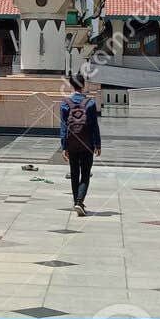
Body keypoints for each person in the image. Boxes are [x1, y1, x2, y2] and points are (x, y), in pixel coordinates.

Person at [59, 76, 101, 217]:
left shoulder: (65, 103)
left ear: (71, 85)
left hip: (72, 143)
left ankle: (77, 202)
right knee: (85, 174)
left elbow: (63, 127)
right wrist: (97, 144)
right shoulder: (90, 103)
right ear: (83, 85)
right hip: (87, 143)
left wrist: (64, 146)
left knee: (74, 173)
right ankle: (79, 201)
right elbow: (94, 126)